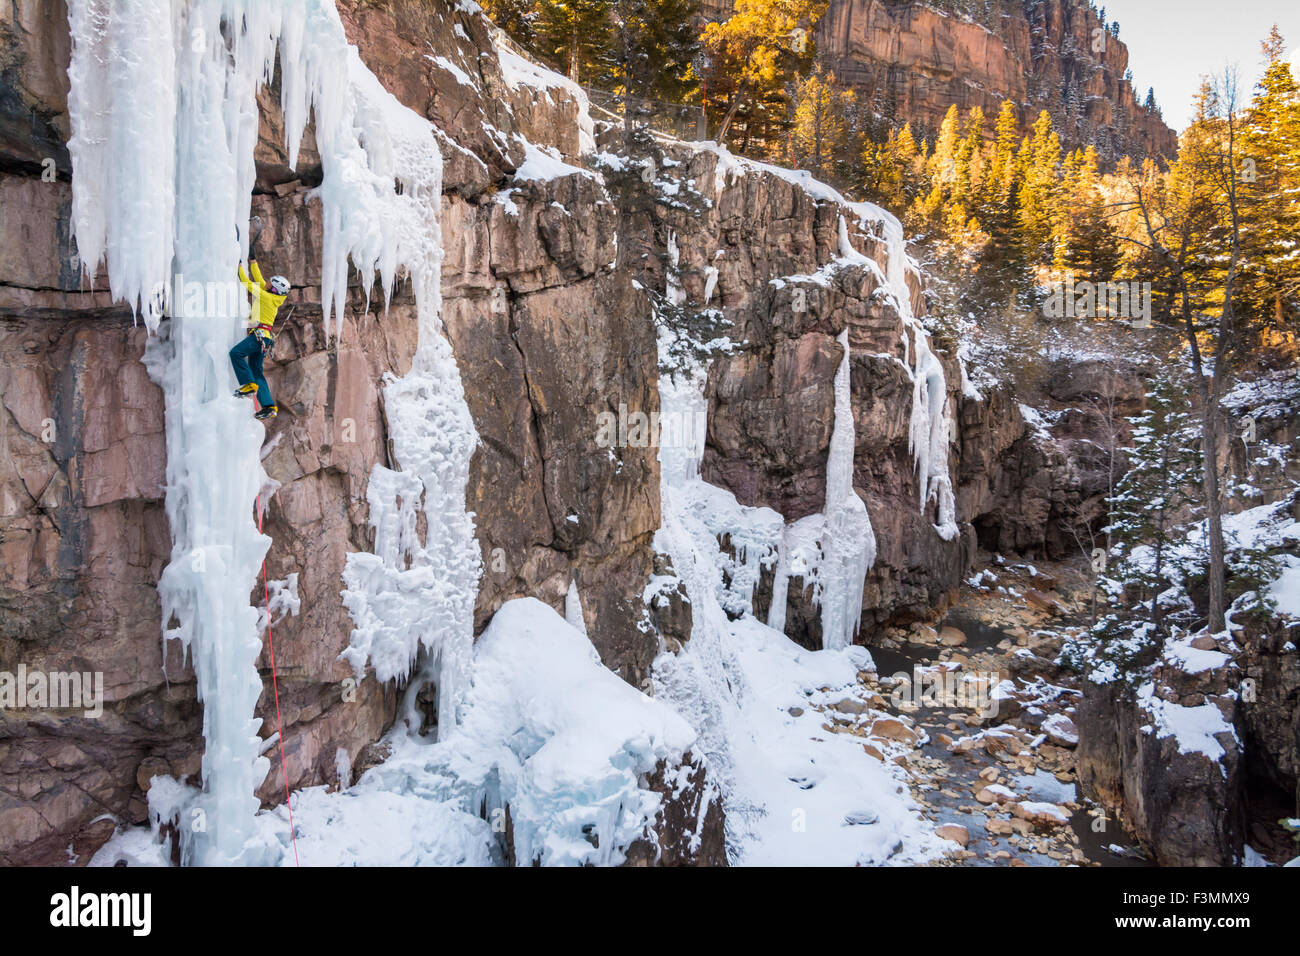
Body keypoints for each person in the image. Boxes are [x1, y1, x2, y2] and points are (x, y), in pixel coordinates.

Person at [230, 242, 290, 421]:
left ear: (274, 289)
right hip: (264, 339)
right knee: (256, 371)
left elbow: (247, 283)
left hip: (258, 336)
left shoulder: (265, 296)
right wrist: (253, 260)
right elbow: (258, 278)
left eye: (271, 282)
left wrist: (238, 265)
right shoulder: (271, 296)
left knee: (236, 353)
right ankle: (269, 406)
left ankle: (248, 386)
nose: (268, 282)